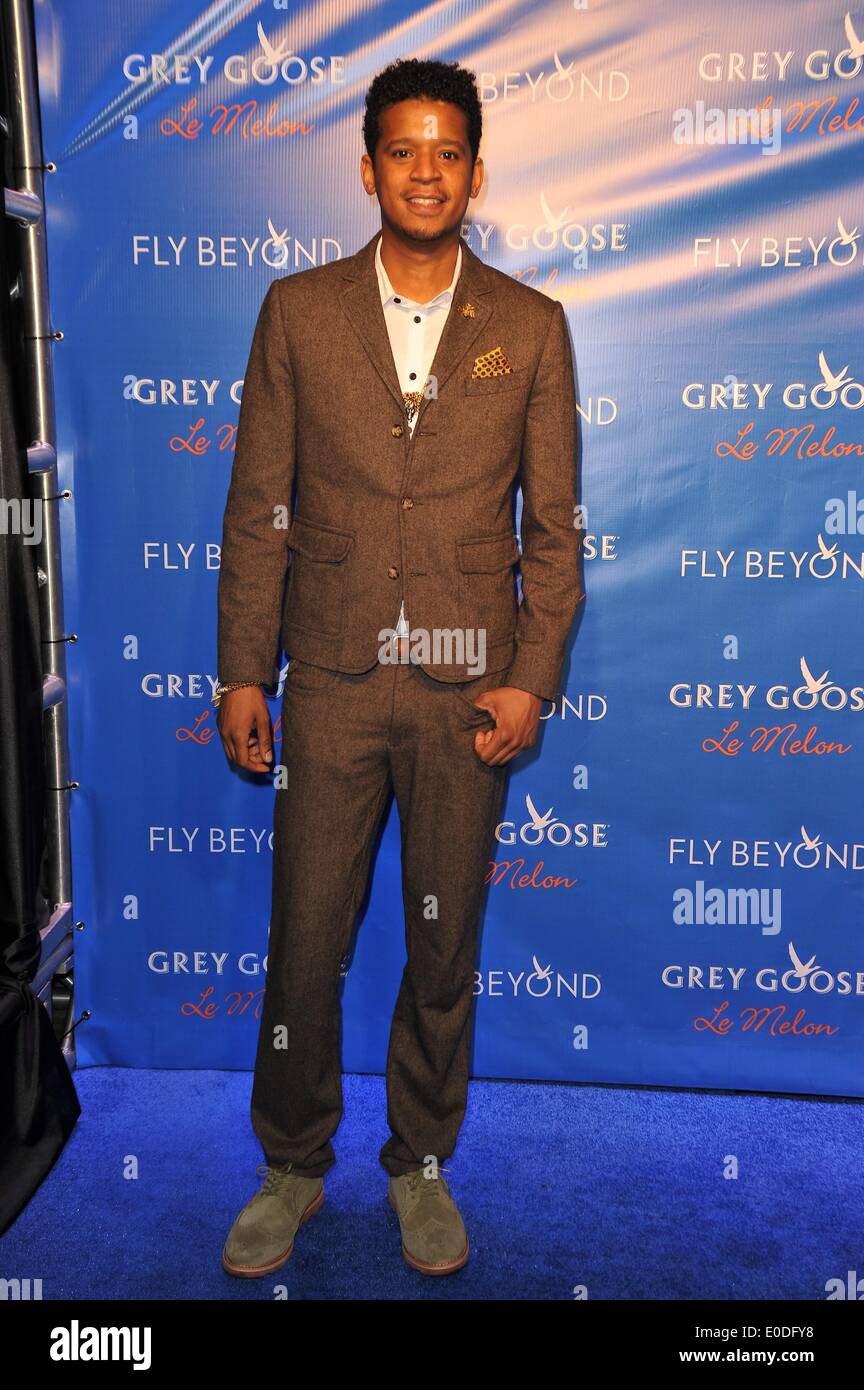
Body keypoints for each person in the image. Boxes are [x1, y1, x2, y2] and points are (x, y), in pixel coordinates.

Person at [215, 57, 585, 1278]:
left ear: (477, 171)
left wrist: (532, 675)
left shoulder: (532, 327)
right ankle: (291, 1162)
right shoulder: (298, 311)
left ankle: (421, 1162)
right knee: (304, 936)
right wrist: (241, 671)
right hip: (324, 679)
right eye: (402, 150)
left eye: (448, 152)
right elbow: (258, 508)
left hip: (466, 689)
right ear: (368, 166)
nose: (425, 172)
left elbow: (553, 535)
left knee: (443, 945)